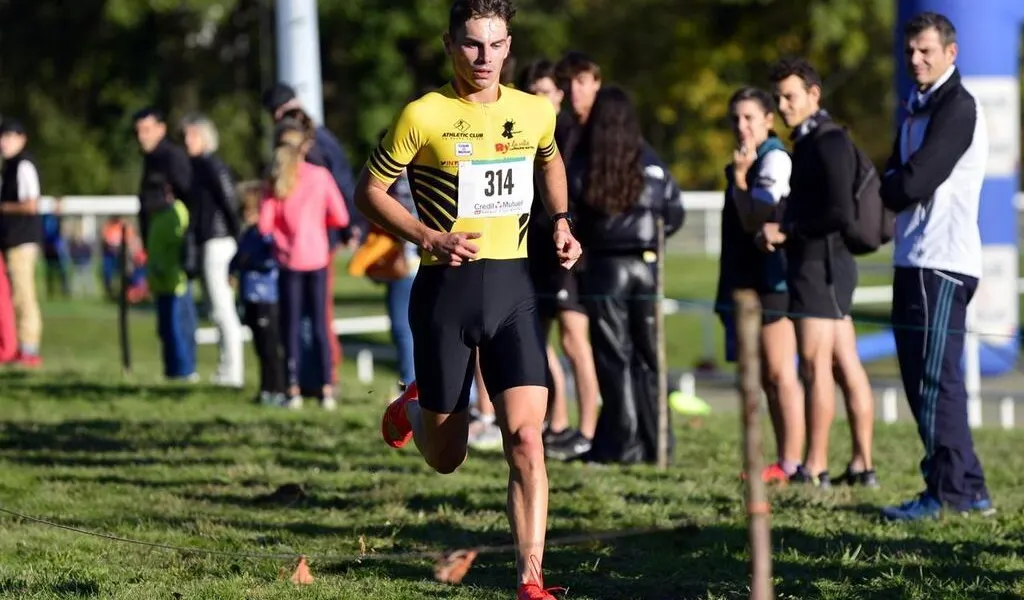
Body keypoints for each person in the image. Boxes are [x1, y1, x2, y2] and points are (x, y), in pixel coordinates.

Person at [353, 1, 582, 596]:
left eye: (495, 44)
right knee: (446, 457)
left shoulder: (535, 111)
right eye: (472, 45)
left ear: (510, 46)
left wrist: (561, 221)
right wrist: (428, 235)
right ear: (450, 44)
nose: (484, 58)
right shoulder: (422, 115)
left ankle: (531, 581)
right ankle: (411, 408)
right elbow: (369, 192)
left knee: (527, 439)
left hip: (513, 291)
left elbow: (549, 160)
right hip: (444, 292)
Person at [879, 12, 994, 521]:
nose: (915, 60)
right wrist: (892, 183)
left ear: (951, 53)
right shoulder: (915, 107)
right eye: (909, 52)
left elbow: (911, 182)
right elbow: (892, 175)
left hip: (940, 262)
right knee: (925, 378)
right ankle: (968, 488)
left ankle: (949, 493)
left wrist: (892, 186)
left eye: (925, 50)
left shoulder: (957, 107)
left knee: (933, 381)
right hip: (914, 258)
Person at [758, 58, 876, 489]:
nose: (783, 105)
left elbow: (839, 212)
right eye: (778, 97)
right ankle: (863, 465)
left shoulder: (827, 141)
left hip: (822, 266)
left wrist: (787, 229)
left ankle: (816, 465)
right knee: (844, 364)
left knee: (815, 364)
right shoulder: (811, 140)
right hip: (819, 264)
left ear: (814, 94)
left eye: (790, 96)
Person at [570, 85, 685, 464]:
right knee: (651, 359)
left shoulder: (589, 160)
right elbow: (674, 210)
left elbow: (572, 210)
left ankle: (624, 443)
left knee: (614, 359)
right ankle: (659, 443)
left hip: (605, 269)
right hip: (649, 267)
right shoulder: (650, 159)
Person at [716, 86, 803, 483]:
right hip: (751, 277)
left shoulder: (773, 161)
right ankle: (781, 462)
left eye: (749, 118)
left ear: (769, 120)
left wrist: (738, 178)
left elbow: (758, 216)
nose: (741, 126)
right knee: (767, 375)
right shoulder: (751, 159)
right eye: (736, 118)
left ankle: (793, 462)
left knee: (781, 373)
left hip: (773, 279)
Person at [518, 58, 600, 461]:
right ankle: (559, 422)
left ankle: (587, 430)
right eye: (533, 93)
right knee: (537, 338)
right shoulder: (518, 130)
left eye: (547, 92)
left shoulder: (570, 133)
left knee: (574, 339)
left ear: (560, 96)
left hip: (568, 247)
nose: (540, 100)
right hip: (531, 247)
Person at [259, 118, 350, 410]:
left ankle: (293, 389)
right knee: (321, 325)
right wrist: (319, 224)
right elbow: (341, 217)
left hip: (288, 262)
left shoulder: (275, 180)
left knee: (291, 327)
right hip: (318, 258)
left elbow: (263, 225)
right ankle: (326, 388)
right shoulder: (320, 176)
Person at [181, 113, 245, 389]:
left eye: (192, 135)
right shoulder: (199, 167)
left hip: (219, 242)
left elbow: (230, 202)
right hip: (212, 240)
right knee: (216, 309)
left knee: (223, 308)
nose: (186, 140)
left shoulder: (211, 166)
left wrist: (237, 237)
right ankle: (226, 368)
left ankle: (232, 371)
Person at [231, 184, 286, 406]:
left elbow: (269, 261)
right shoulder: (248, 235)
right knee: (260, 347)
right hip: (250, 297)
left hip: (267, 298)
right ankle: (265, 388)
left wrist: (248, 261)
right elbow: (237, 257)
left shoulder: (268, 237)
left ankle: (278, 389)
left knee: (271, 347)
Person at [145, 175, 198, 382]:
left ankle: (185, 370)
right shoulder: (157, 217)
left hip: (176, 282)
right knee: (166, 331)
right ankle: (171, 370)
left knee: (180, 329)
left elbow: (182, 246)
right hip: (161, 284)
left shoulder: (178, 212)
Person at [0, 119, 44, 367]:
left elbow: (31, 204)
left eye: (9, 136)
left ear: (22, 138)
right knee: (17, 295)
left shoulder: (24, 166)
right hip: (12, 241)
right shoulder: (9, 167)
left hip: (23, 240)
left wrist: (3, 207)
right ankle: (17, 347)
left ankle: (29, 349)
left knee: (24, 296)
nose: (4, 142)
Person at [132, 108, 192, 251]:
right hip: (156, 239)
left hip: (173, 238)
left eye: (146, 130)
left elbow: (188, 195)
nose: (141, 137)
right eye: (138, 132)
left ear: (161, 129)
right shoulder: (150, 160)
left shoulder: (173, 157)